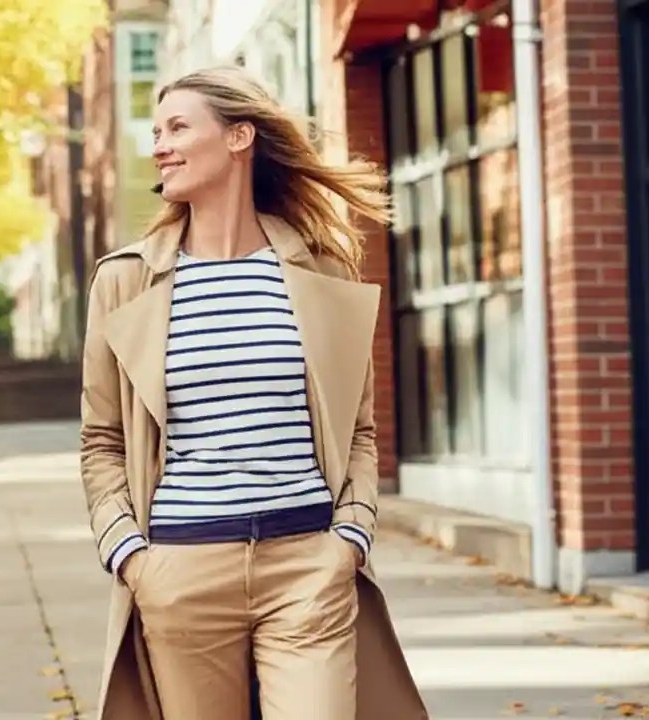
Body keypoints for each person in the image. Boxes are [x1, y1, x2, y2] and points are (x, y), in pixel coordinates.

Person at [79, 66, 429, 720]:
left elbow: (358, 428)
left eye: (178, 127)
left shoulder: (322, 268)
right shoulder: (126, 282)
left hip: (308, 569)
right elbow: (102, 440)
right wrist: (129, 555)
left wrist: (349, 538)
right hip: (181, 570)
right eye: (156, 131)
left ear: (240, 136)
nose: (159, 145)